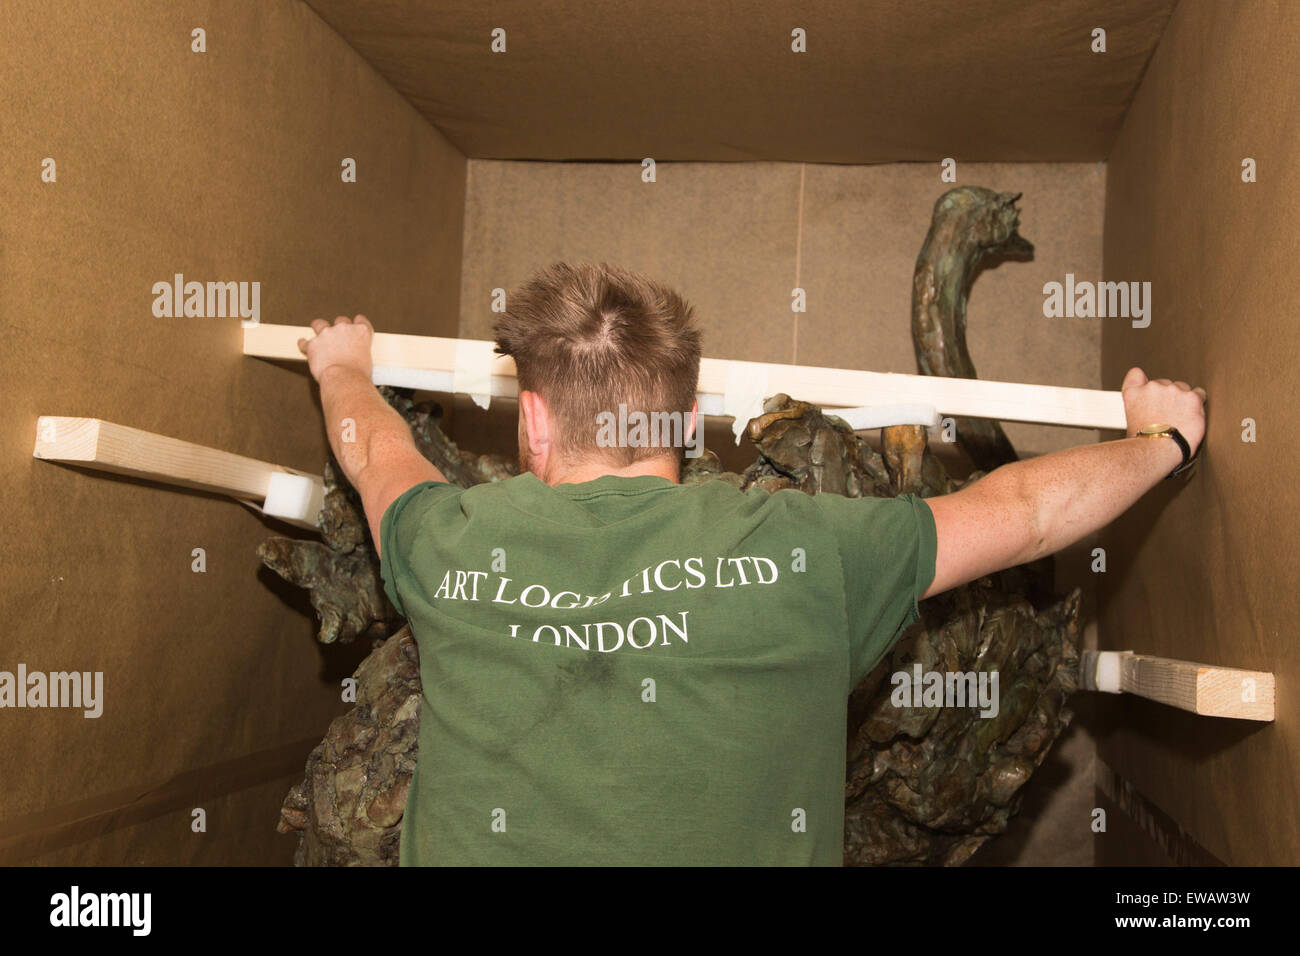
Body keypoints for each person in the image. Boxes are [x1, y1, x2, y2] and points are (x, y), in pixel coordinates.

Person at [296, 261, 1207, 866]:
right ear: (689, 427)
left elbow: (376, 455)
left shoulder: (449, 539)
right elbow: (1023, 513)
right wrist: (1165, 440)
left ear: (532, 421)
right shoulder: (809, 549)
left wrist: (342, 365)